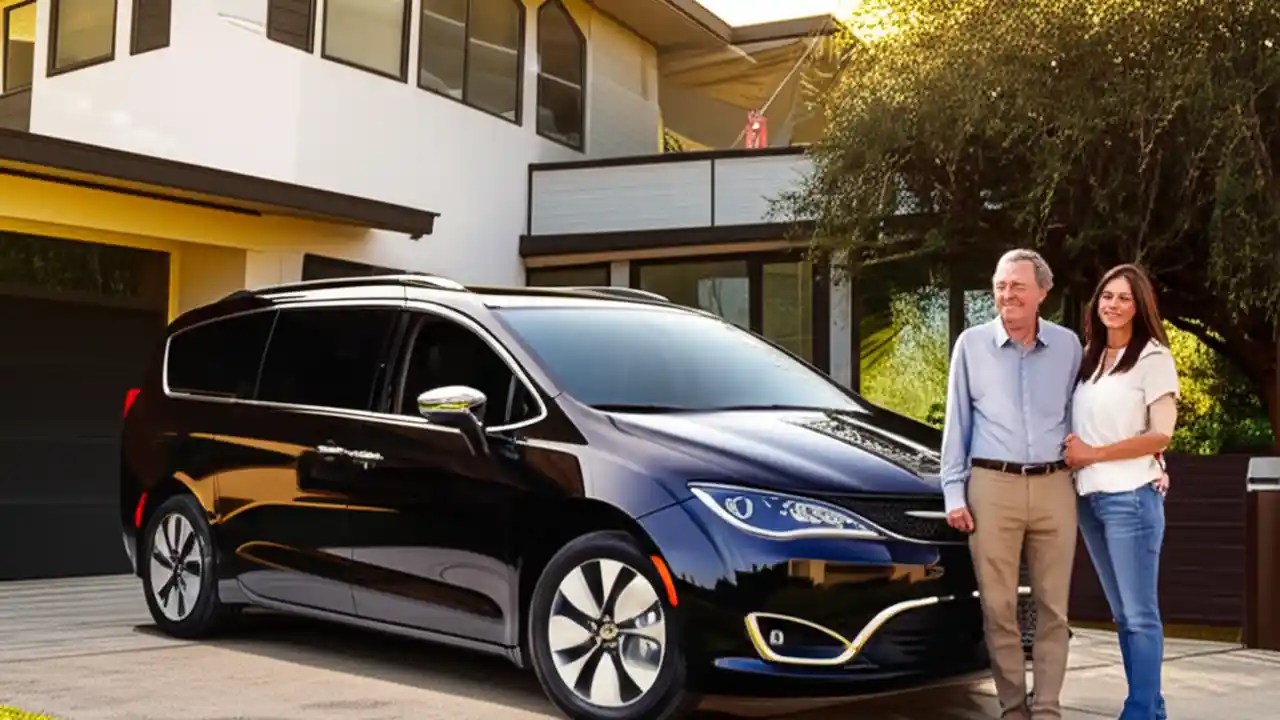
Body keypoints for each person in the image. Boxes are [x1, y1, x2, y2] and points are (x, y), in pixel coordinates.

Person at [941, 248, 1083, 720]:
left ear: (1043, 292)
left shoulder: (1069, 347)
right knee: (998, 607)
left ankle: (1046, 708)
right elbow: (956, 424)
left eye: (1018, 286)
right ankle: (1012, 707)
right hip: (991, 487)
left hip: (1053, 487)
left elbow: (1083, 418)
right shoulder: (971, 345)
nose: (1007, 295)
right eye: (1001, 286)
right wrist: (953, 492)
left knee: (1053, 608)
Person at [1064, 263, 1179, 720]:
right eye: (1107, 295)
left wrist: (1094, 454)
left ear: (1140, 306)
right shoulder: (1089, 357)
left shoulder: (1152, 357)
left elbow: (1161, 435)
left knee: (1139, 614)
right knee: (1122, 615)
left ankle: (1138, 710)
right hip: (1089, 500)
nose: (1113, 304)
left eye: (1124, 298)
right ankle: (1151, 708)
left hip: (1130, 497)